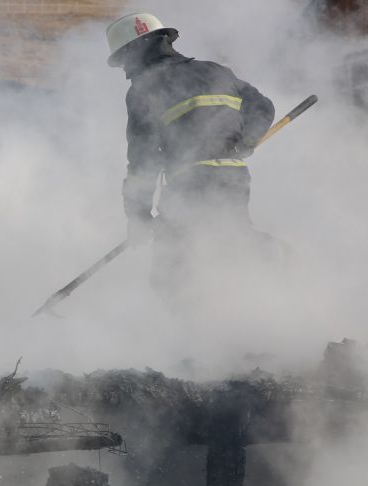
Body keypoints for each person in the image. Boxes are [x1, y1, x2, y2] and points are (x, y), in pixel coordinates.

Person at [105, 13, 276, 302]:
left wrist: (138, 217)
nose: (125, 70)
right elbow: (263, 106)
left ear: (133, 52)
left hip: (190, 182)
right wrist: (246, 141)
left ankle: (190, 339)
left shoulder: (143, 89)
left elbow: (142, 162)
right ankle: (276, 271)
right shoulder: (216, 71)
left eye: (123, 61)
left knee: (172, 271)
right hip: (234, 176)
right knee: (232, 241)